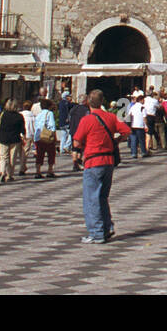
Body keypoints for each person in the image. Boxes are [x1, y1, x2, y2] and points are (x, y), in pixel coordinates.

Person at [72, 89, 131, 244]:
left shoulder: (87, 120)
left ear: (87, 103)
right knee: (103, 197)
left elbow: (77, 141)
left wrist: (80, 149)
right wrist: (116, 141)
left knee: (91, 198)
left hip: (93, 161)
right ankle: (107, 227)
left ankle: (96, 232)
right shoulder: (110, 117)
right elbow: (126, 131)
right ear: (102, 101)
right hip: (109, 161)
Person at [0, 99, 26, 183]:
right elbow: (22, 130)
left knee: (3, 156)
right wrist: (23, 137)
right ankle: (9, 175)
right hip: (15, 139)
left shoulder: (2, 115)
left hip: (3, 138)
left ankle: (2, 172)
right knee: (12, 158)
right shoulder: (19, 116)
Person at [34, 98, 59, 178]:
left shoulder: (39, 114)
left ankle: (38, 171)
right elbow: (52, 126)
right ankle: (50, 170)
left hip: (39, 137)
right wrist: (54, 136)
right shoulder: (49, 113)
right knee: (51, 154)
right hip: (47, 136)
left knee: (40, 155)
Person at [67, 95, 89, 171]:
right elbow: (87, 120)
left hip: (73, 129)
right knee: (81, 147)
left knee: (74, 148)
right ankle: (79, 163)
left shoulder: (73, 108)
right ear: (85, 101)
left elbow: (69, 118)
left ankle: (75, 163)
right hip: (81, 130)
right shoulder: (86, 110)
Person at [127, 90, 148, 159]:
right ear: (141, 100)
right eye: (143, 100)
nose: (144, 101)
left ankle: (134, 153)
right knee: (141, 140)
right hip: (140, 125)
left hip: (133, 125)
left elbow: (129, 115)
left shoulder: (133, 107)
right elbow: (144, 117)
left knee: (134, 140)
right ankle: (143, 152)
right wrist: (146, 125)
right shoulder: (142, 107)